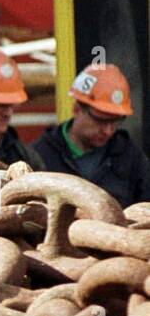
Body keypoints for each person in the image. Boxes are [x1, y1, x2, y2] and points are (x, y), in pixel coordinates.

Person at [32, 62, 150, 208]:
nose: (108, 130)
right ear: (76, 110)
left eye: (115, 121)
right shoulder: (40, 156)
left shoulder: (131, 158)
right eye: (101, 120)